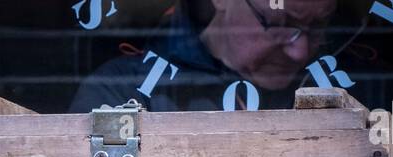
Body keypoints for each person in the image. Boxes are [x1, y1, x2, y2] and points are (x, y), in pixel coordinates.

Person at [70, 0, 339, 113]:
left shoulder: (352, 88)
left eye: (319, 26)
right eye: (278, 23)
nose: (300, 51)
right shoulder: (122, 90)